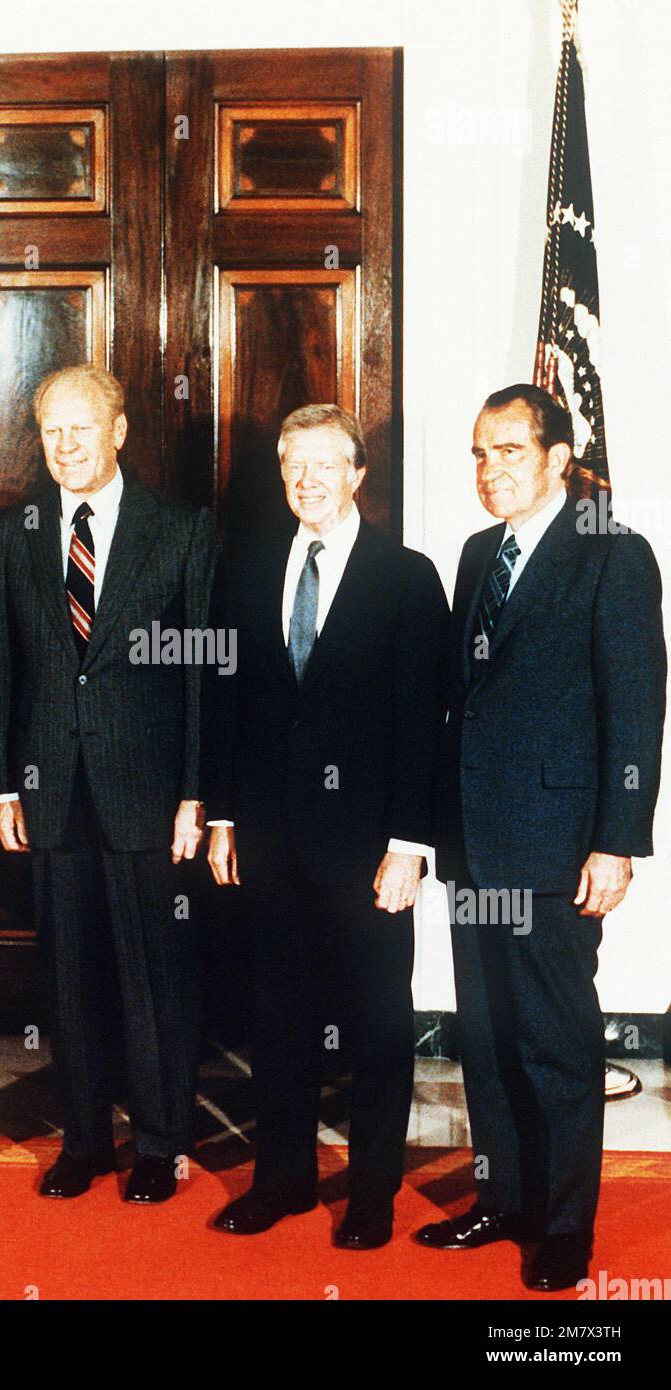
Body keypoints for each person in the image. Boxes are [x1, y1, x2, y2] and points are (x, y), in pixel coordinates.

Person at [415, 384, 666, 1291]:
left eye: (510, 451)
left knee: (556, 1041)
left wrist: (617, 842)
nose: (491, 470)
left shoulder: (614, 553)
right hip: (474, 840)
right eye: (480, 454)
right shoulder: (477, 553)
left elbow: (635, 709)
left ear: (559, 458)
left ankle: (563, 1228)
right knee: (485, 1035)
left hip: (557, 845)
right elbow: (465, 704)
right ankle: (504, 1199)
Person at [203, 404, 449, 1247]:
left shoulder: (406, 577)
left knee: (378, 1024)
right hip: (272, 841)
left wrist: (410, 846)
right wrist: (224, 816)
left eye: (324, 464)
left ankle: (373, 1194)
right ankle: (283, 1181)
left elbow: (424, 722)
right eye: (293, 466)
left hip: (371, 849)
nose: (307, 481)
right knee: (278, 1020)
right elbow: (227, 703)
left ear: (357, 474)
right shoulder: (247, 568)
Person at [0, 364, 219, 1203]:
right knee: (69, 977)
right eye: (52, 430)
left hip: (148, 794)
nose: (65, 445)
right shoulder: (14, 533)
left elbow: (203, 672)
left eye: (81, 428)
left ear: (118, 432)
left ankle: (159, 1145)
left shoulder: (182, 529)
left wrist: (196, 793)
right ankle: (83, 1141)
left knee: (154, 974)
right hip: (51, 790)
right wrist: (6, 788)